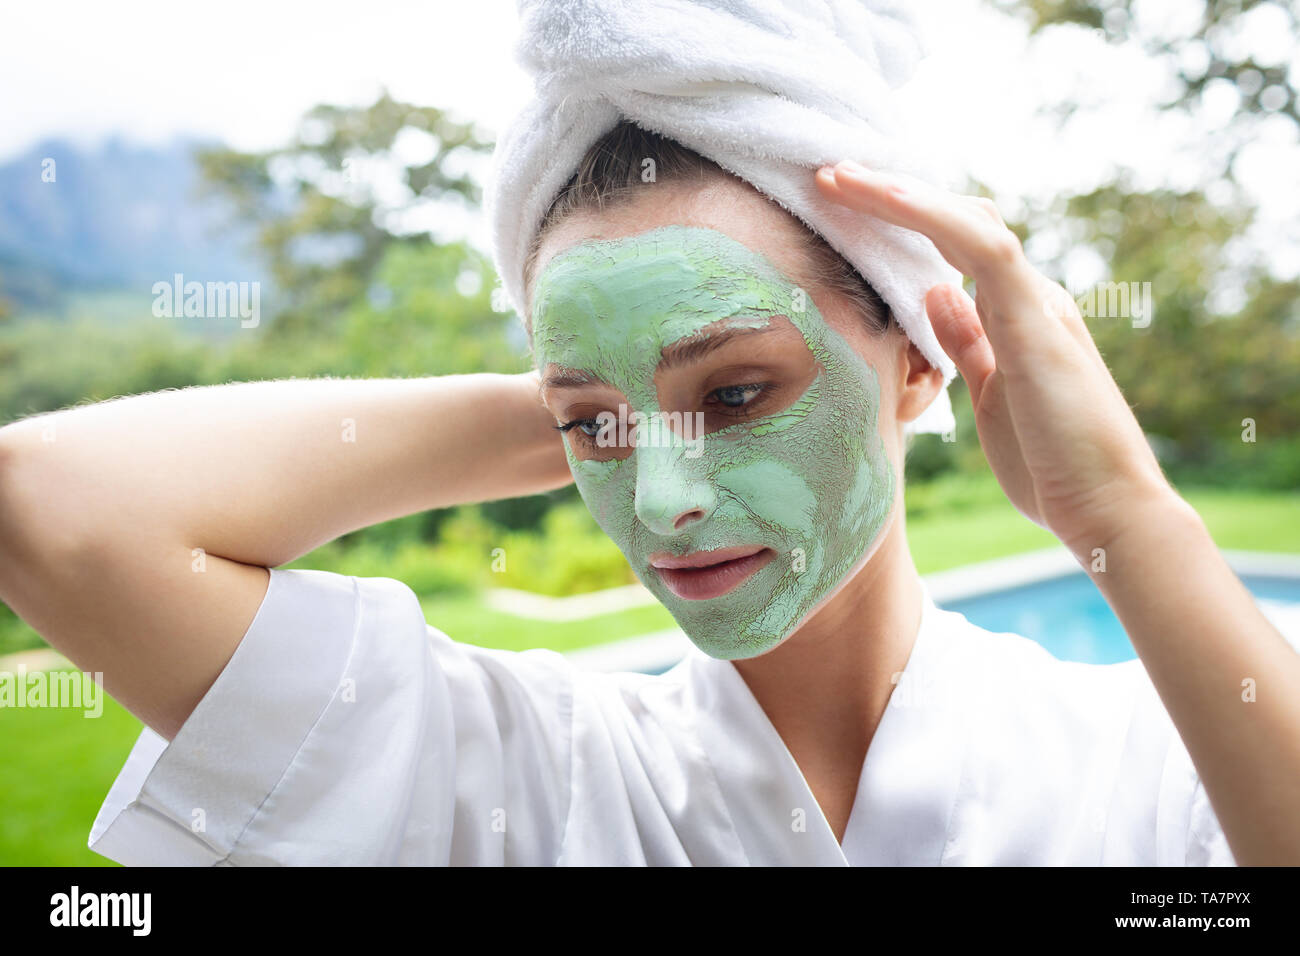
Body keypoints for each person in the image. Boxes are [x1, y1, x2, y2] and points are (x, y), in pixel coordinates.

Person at [0, 121, 1296, 866]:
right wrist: (586, 392)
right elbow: (50, 504)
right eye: (597, 432)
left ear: (917, 360)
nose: (664, 502)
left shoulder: (1156, 755)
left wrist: (1122, 514)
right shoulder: (516, 774)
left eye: (738, 395)